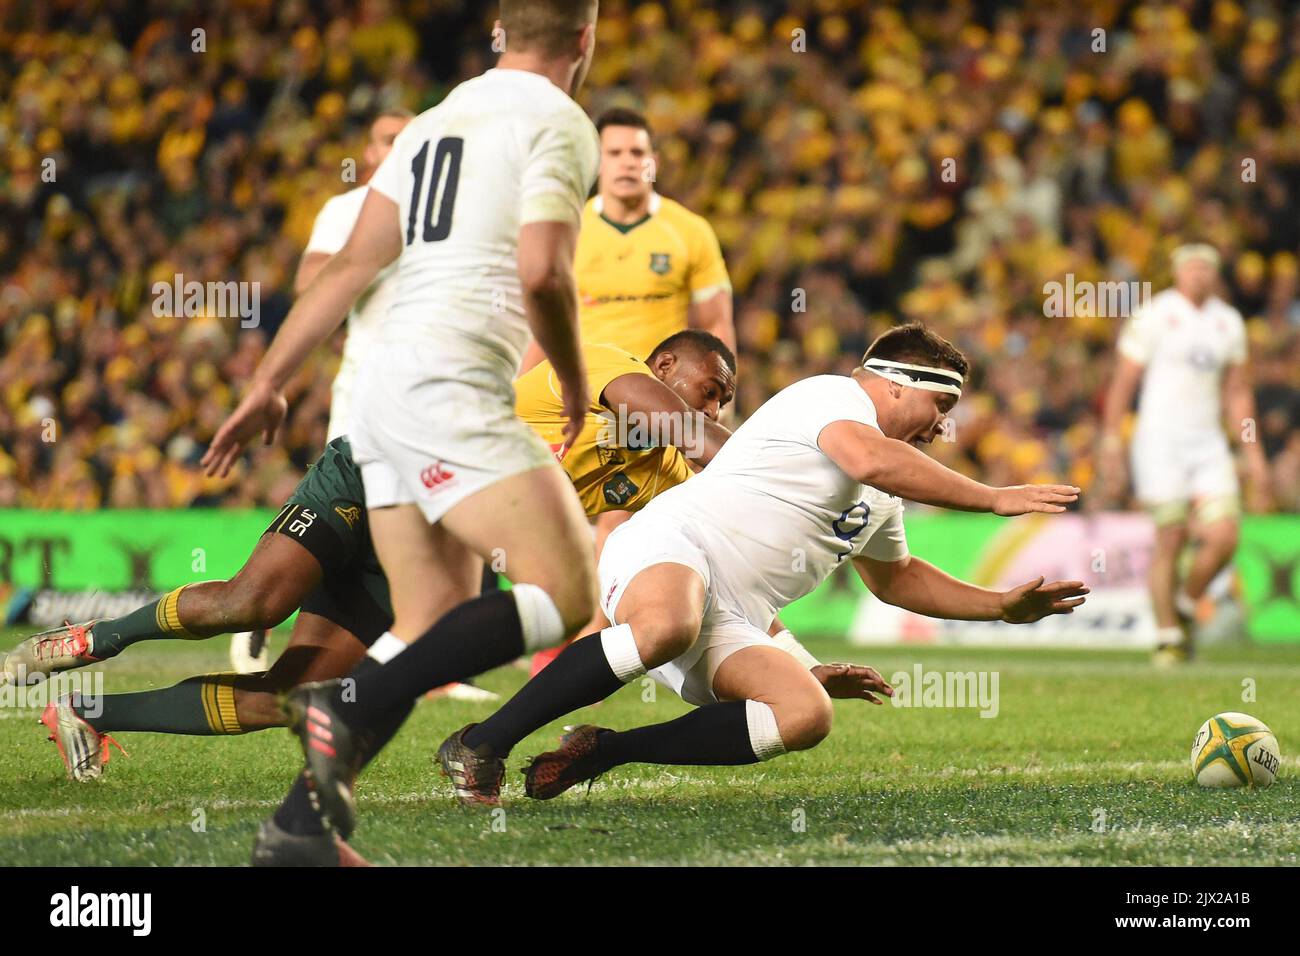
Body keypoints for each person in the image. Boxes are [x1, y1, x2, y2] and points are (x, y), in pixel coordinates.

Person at [200, 0, 604, 864]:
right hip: (450, 382)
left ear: (500, 32)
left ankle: (300, 831)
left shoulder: (432, 121)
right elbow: (543, 271)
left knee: (429, 622)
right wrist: (571, 380)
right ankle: (338, 707)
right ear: (584, 37)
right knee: (570, 594)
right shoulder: (562, 122)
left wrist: (268, 382)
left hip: (370, 390)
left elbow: (352, 264)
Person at [14, 331, 740, 788]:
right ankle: (88, 640)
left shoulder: (661, 473)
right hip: (383, 471)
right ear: (667, 363)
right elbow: (686, 431)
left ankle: (87, 710)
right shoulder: (607, 369)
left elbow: (643, 531)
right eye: (713, 391)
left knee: (288, 696)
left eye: (729, 403)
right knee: (251, 603)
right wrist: (753, 461)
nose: (716, 410)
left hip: (429, 556)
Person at [440, 324, 1089, 804]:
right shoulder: (829, 398)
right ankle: (481, 744)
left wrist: (1001, 606)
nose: (942, 426)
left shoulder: (889, 483)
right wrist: (993, 497)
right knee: (667, 623)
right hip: (669, 544)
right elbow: (865, 458)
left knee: (806, 715)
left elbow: (897, 579)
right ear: (899, 385)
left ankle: (606, 750)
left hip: (735, 612)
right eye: (941, 407)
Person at [520, 106, 736, 675]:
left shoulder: (689, 231)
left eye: (637, 153)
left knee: (621, 510)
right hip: (585, 397)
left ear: (653, 163)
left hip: (659, 405)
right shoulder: (569, 228)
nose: (627, 163)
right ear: (597, 162)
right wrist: (520, 387)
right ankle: (574, 629)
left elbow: (716, 322)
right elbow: (543, 316)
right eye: (614, 153)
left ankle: (588, 634)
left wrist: (719, 398)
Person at [228, 107, 415, 677]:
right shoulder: (348, 210)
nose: (398, 149)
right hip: (363, 399)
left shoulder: (441, 212)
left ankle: (415, 661)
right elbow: (312, 284)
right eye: (387, 139)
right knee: (334, 523)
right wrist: (369, 256)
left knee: (418, 528)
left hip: (429, 402)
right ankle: (254, 617)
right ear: (370, 149)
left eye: (408, 140)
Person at [1100, 243, 1270, 665]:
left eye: (1206, 268)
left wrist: (1253, 453)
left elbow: (1237, 392)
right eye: (1191, 267)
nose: (1198, 274)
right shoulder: (1155, 314)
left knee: (1224, 535)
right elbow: (1124, 381)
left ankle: (1188, 603)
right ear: (1177, 273)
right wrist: (1110, 437)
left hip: (1208, 442)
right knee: (1171, 537)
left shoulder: (1228, 323)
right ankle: (1167, 635)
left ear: (1215, 275)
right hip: (1159, 441)